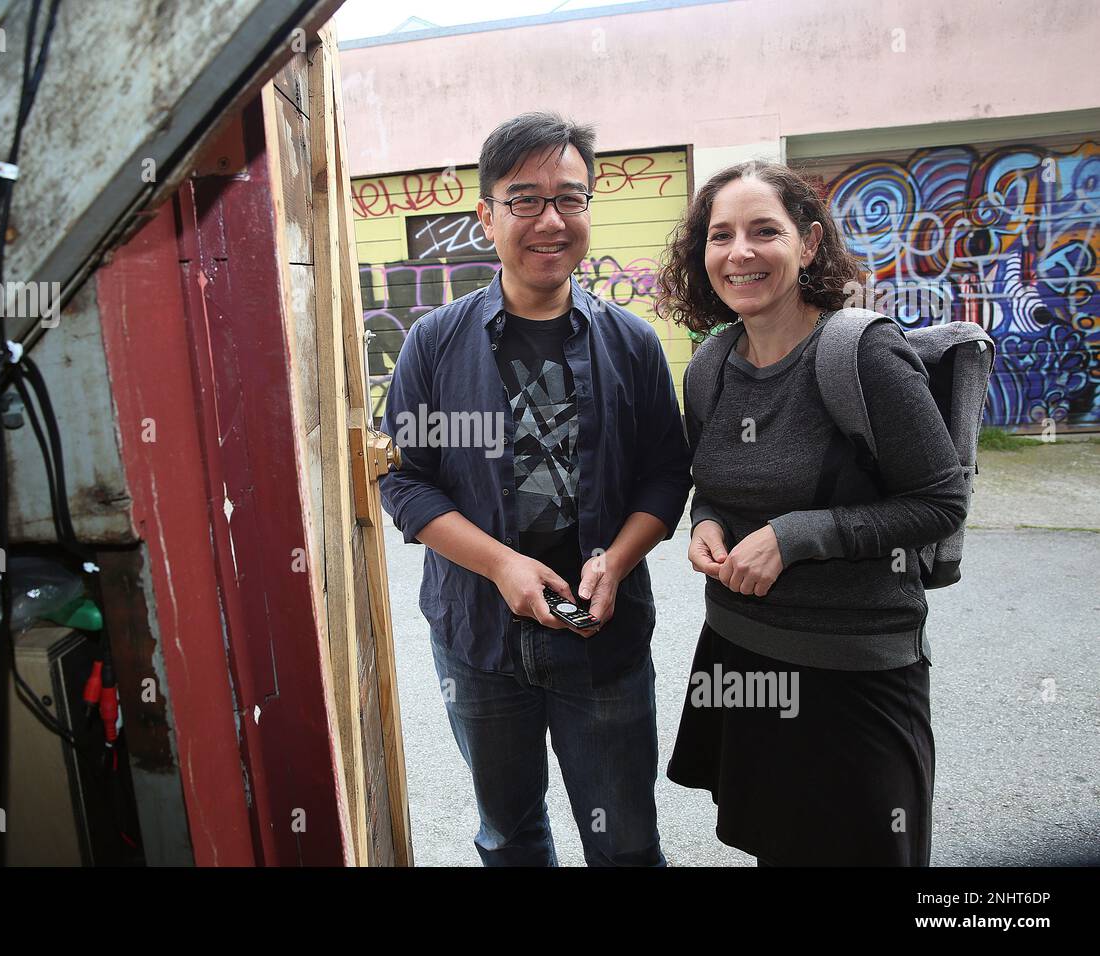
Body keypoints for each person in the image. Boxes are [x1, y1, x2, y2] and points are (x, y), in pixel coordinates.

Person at [378, 113, 692, 866]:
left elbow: (664, 475)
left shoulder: (633, 343)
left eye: (570, 198)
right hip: (479, 640)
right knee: (509, 838)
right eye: (525, 199)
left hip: (602, 635)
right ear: (486, 215)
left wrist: (614, 562)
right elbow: (407, 482)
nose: (551, 220)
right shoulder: (434, 342)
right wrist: (503, 567)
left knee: (625, 844)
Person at [656, 160, 967, 866]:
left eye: (764, 231)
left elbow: (941, 502)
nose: (740, 252)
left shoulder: (862, 353)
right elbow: (716, 486)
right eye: (720, 235)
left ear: (810, 243)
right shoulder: (710, 365)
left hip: (853, 675)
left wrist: (799, 537)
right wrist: (706, 523)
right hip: (741, 652)